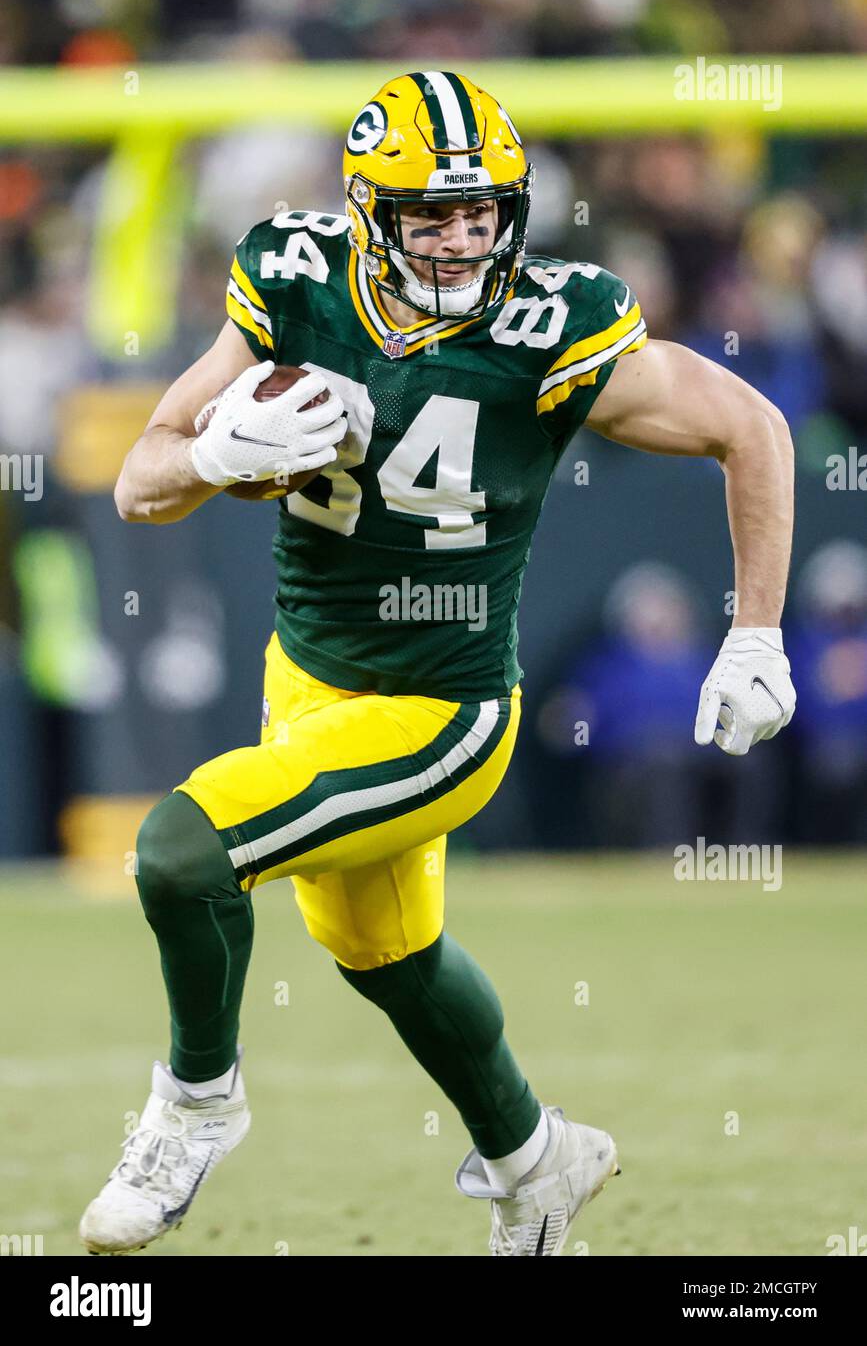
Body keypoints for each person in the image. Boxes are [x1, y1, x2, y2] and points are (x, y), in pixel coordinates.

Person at [80, 70, 796, 1258]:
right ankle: (537, 1160)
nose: (463, 239)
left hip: (441, 709)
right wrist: (213, 448)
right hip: (307, 675)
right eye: (431, 215)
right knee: (387, 956)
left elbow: (752, 428)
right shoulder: (295, 281)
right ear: (369, 212)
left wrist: (756, 629)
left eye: (483, 212)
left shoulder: (555, 325)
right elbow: (137, 480)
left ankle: (195, 1106)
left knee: (179, 851)